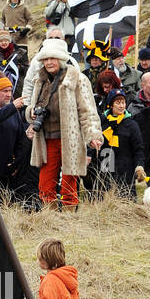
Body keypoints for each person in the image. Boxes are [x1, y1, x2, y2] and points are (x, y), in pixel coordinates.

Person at [23, 39, 103, 209]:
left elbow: (87, 110)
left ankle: (68, 217)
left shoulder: (78, 79)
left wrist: (93, 135)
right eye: (46, 59)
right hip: (46, 138)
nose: (49, 62)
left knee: (69, 180)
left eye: (53, 58)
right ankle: (50, 217)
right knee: (45, 183)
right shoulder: (39, 81)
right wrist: (30, 112)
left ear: (61, 59)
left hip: (70, 138)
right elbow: (32, 105)